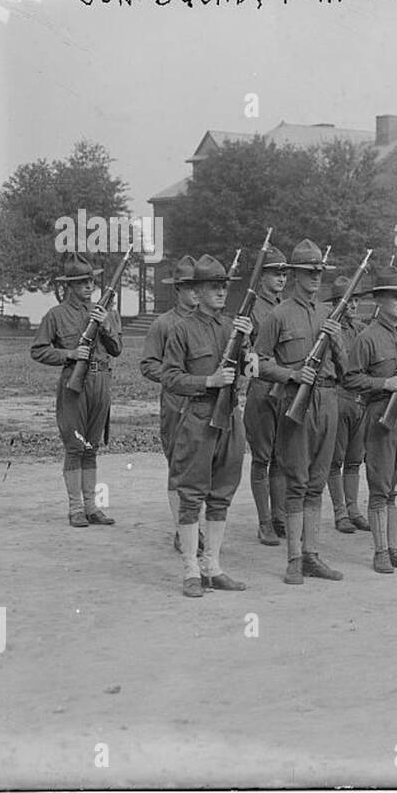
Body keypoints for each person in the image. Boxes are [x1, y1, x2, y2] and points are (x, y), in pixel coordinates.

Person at [161, 255, 252, 598]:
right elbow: (170, 377)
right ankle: (190, 570)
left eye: (224, 285)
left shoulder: (231, 327)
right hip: (198, 417)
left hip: (230, 418)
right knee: (191, 496)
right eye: (213, 286)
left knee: (222, 495)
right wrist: (208, 381)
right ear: (196, 290)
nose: (220, 291)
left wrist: (250, 349)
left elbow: (248, 369)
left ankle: (213, 567)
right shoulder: (181, 329)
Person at [254, 239, 344, 585]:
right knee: (297, 481)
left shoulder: (327, 314)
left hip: (328, 401)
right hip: (296, 403)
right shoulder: (278, 315)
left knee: (317, 482)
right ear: (294, 275)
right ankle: (294, 558)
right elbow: (259, 362)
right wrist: (291, 374)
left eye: (319, 273)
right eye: (309, 273)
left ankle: (312, 555)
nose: (316, 279)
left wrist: (335, 339)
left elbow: (346, 368)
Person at [345, 265, 397, 574]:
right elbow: (351, 379)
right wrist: (384, 384)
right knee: (380, 483)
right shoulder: (367, 337)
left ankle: (396, 547)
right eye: (395, 297)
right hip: (382, 413)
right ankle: (380, 550)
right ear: (379, 300)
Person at [30, 251, 122, 528]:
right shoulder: (55, 315)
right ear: (68, 285)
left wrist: (106, 325)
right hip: (74, 384)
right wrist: (69, 354)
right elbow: (39, 350)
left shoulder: (106, 313)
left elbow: (117, 350)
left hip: (101, 383)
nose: (88, 286)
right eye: (81, 282)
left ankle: (92, 507)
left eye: (91, 281)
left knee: (91, 447)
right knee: (75, 447)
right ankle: (75, 509)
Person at [139, 255, 201, 550]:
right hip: (176, 405)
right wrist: (178, 378)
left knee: (205, 468)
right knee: (179, 468)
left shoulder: (209, 323)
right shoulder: (163, 324)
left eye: (198, 286)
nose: (195, 292)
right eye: (189, 287)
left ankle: (196, 527)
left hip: (207, 404)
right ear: (177, 289)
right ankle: (182, 529)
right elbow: (148, 364)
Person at [241, 243, 290, 545]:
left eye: (284, 273)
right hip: (261, 389)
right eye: (274, 273)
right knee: (262, 458)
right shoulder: (251, 309)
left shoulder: (286, 307)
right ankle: (264, 522)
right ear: (261, 276)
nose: (281, 278)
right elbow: (248, 359)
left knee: (282, 458)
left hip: (286, 388)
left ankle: (280, 516)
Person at [323, 274, 371, 534]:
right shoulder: (329, 329)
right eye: (346, 301)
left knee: (355, 459)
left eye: (355, 301)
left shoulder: (362, 329)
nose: (352, 306)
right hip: (340, 398)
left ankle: (353, 510)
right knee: (335, 459)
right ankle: (340, 512)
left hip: (360, 400)